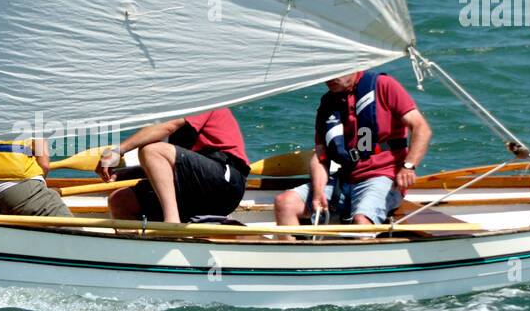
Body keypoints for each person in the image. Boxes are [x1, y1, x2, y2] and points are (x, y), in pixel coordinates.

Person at [274, 70, 431, 231]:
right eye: (324, 73)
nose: (329, 78)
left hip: (382, 176)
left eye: (335, 71)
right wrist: (318, 192)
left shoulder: (383, 85)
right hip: (344, 180)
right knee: (285, 203)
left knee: (361, 221)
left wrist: (408, 167)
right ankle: (295, 253)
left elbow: (421, 128)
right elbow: (320, 157)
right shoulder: (327, 104)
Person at [98, 109, 249, 223]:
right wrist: (127, 174)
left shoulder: (203, 100)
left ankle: (172, 222)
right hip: (196, 189)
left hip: (226, 184)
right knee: (121, 200)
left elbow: (167, 128)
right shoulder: (181, 122)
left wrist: (117, 151)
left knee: (152, 149)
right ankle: (138, 254)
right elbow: (171, 169)